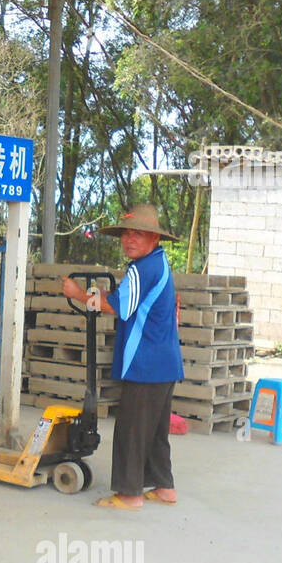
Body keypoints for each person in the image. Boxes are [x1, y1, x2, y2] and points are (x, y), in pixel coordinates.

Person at [60, 203, 183, 510]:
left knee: (132, 429)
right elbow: (123, 299)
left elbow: (117, 307)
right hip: (166, 363)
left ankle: (130, 494)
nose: (130, 240)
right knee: (155, 430)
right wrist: (102, 295)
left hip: (146, 364)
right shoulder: (160, 264)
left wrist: (77, 294)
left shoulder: (142, 269)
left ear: (154, 239)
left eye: (138, 235)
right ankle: (164, 488)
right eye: (126, 234)